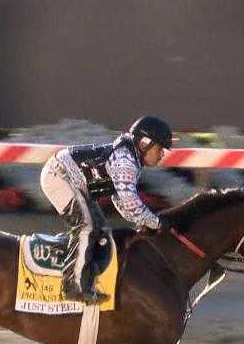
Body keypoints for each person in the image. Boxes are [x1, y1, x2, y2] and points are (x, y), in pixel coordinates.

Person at [39, 115, 174, 304]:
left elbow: (120, 201)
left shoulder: (131, 157)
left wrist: (144, 221)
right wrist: (156, 222)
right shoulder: (126, 161)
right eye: (160, 148)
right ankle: (75, 286)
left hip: (70, 181)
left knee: (101, 230)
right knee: (86, 227)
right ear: (145, 143)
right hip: (58, 177)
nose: (162, 155)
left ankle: (84, 278)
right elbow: (130, 203)